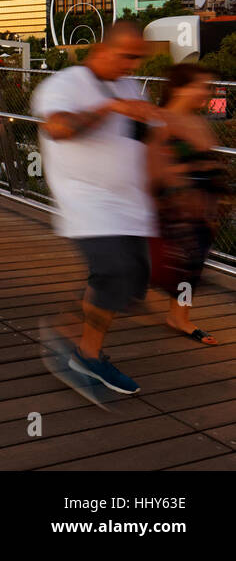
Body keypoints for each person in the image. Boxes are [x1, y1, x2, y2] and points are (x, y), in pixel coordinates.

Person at [32, 20, 167, 395]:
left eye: (138, 58)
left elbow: (145, 140)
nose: (134, 65)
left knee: (131, 286)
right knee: (113, 273)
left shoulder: (129, 86)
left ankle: (68, 330)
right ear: (101, 49)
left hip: (131, 205)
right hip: (87, 201)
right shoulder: (66, 83)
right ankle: (86, 356)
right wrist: (110, 107)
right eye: (127, 56)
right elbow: (58, 129)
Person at [147, 63, 230, 346]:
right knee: (145, 268)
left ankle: (180, 317)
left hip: (200, 212)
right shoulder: (159, 120)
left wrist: (214, 204)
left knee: (191, 269)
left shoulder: (197, 121)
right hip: (168, 211)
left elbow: (207, 165)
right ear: (180, 87)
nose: (207, 92)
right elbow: (154, 168)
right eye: (202, 86)